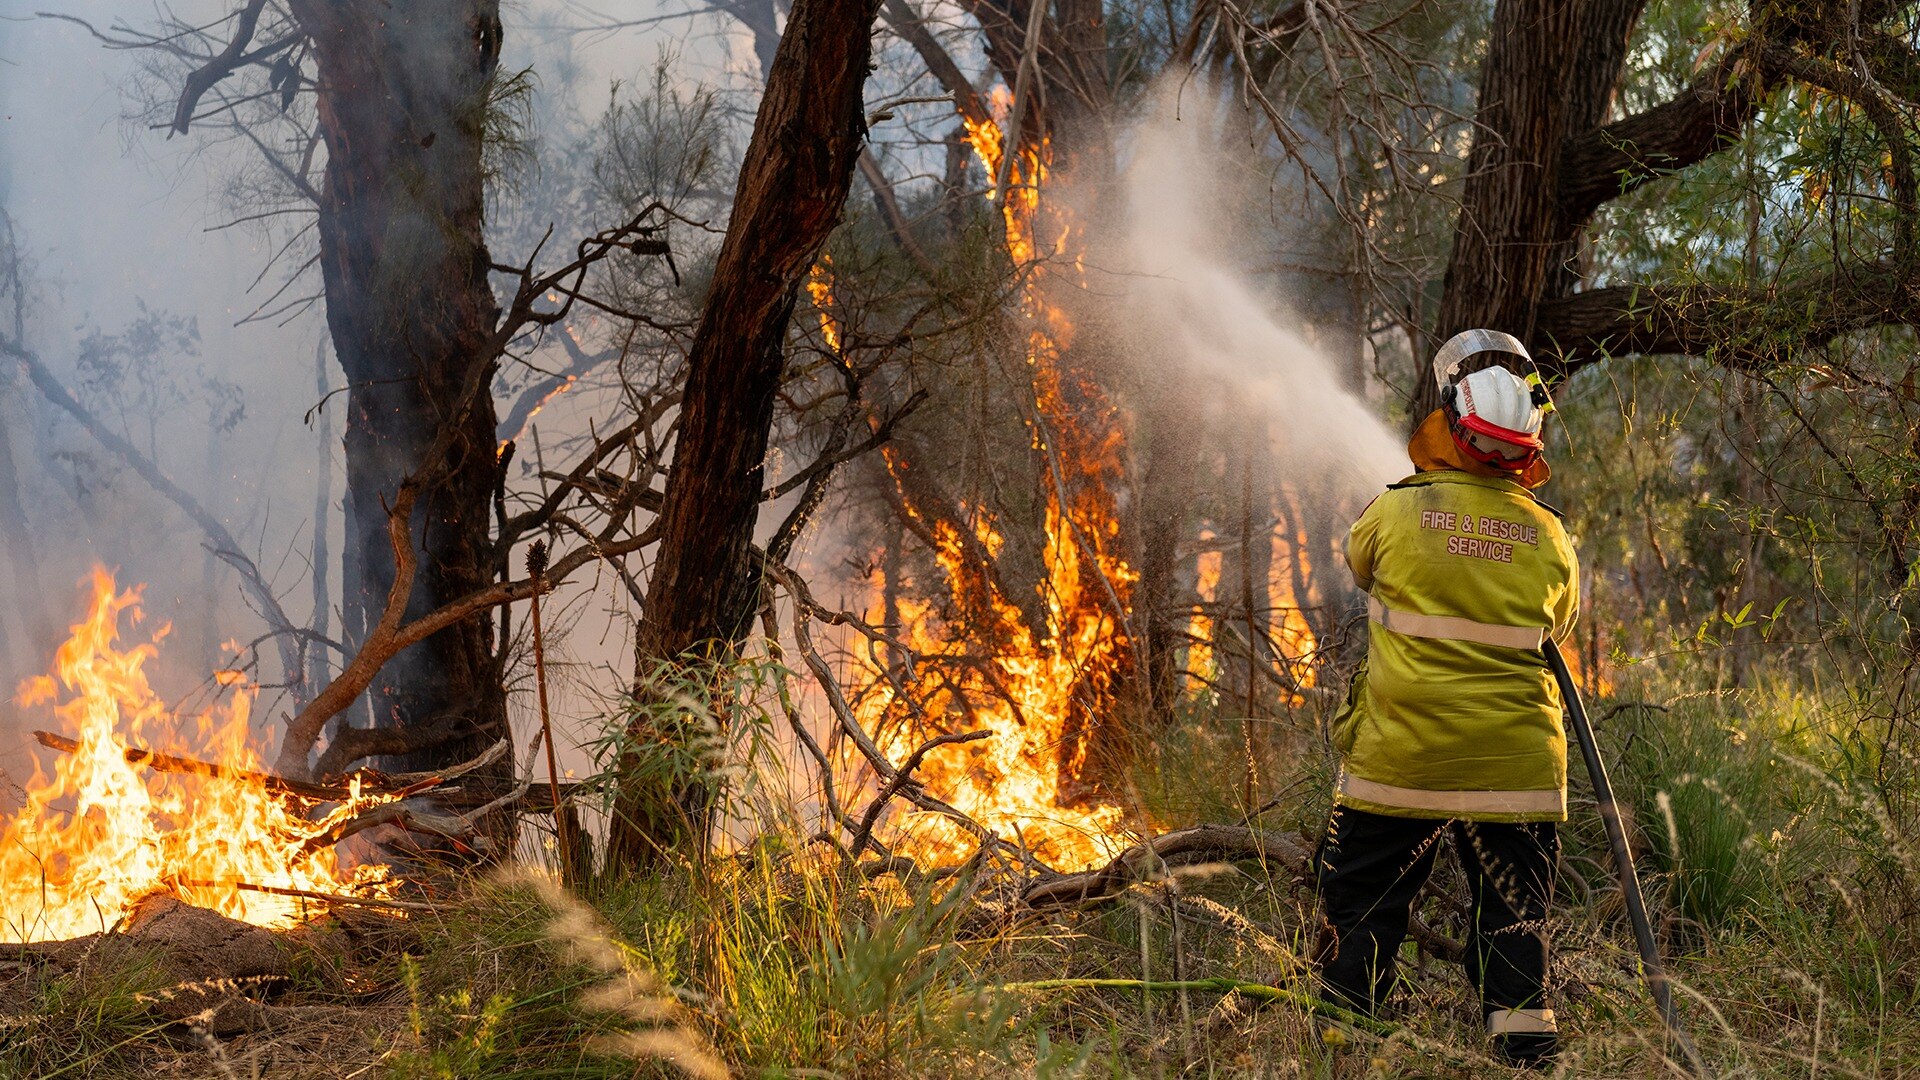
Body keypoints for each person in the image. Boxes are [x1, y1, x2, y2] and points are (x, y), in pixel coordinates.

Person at [1314, 328, 1579, 1069]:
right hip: (1516, 769)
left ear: (1451, 427)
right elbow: (1560, 623)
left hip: (1402, 758)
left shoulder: (1395, 511)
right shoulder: (1552, 537)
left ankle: (1344, 1041)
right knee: (1515, 922)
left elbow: (1359, 563)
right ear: (1527, 448)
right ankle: (1524, 1052)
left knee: (1363, 904)